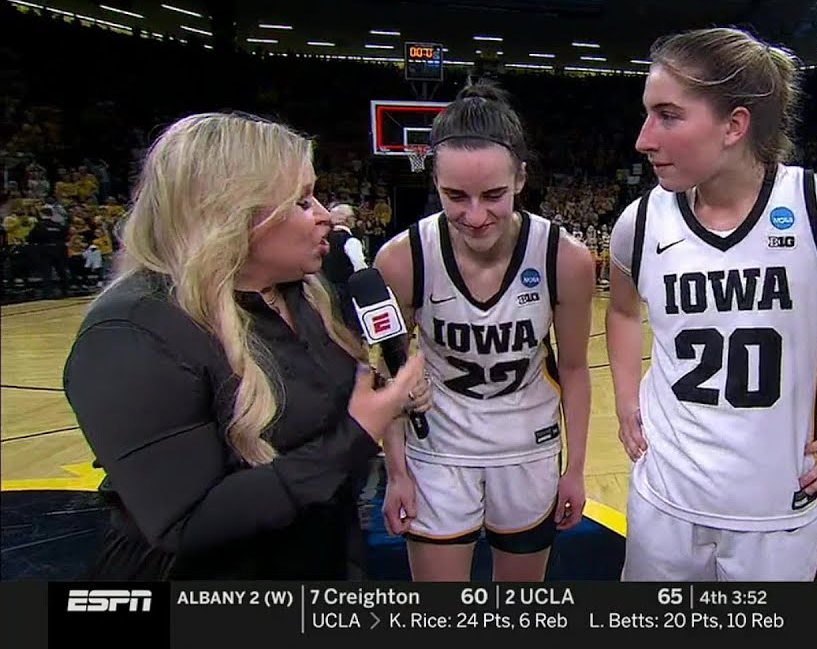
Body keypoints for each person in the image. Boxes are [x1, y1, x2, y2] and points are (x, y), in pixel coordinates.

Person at [607, 27, 817, 581]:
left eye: (668, 116)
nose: (643, 139)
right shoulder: (640, 221)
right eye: (647, 115)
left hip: (777, 512)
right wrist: (623, 398)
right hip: (664, 501)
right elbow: (620, 311)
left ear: (734, 125)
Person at [62, 112, 426, 580]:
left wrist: (387, 399)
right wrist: (355, 432)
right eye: (301, 201)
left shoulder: (303, 294)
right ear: (232, 213)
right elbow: (187, 523)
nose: (323, 215)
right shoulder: (131, 332)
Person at [375, 82, 596, 582]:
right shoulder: (403, 259)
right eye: (455, 196)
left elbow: (575, 369)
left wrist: (576, 469)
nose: (475, 216)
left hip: (529, 449)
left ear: (521, 177)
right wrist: (396, 472)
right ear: (434, 179)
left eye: (493, 195)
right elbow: (389, 375)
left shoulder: (564, 257)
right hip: (437, 452)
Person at [321, 202, 368, 332]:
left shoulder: (322, 240)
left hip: (324, 289)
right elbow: (360, 268)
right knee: (351, 327)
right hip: (346, 292)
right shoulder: (351, 241)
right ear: (348, 220)